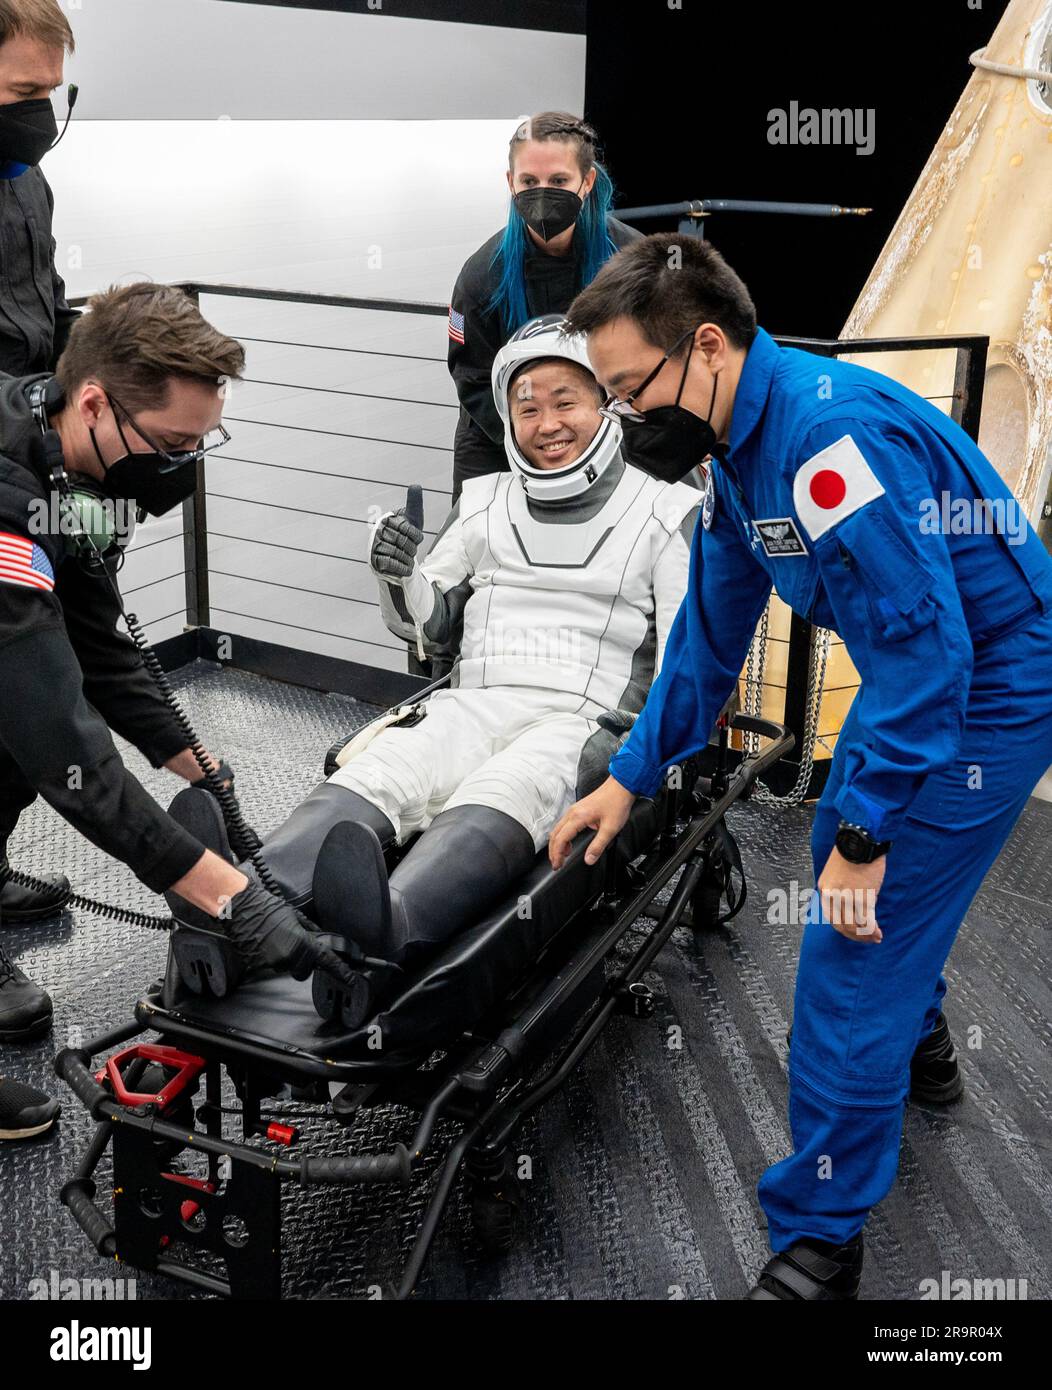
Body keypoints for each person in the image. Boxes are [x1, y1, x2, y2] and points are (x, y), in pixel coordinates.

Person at [548, 232, 1052, 1300]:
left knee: (849, 937)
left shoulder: (826, 442)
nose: (622, 415)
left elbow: (931, 655)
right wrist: (627, 777)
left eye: (629, 389)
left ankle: (821, 1237)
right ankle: (920, 1040)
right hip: (928, 669)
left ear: (709, 348)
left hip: (992, 685)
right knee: (843, 858)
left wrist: (868, 834)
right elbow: (706, 640)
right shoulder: (736, 447)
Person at [169, 316, 700, 1030]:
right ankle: (235, 901)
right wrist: (397, 575)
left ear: (604, 401)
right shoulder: (485, 500)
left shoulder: (669, 511)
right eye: (528, 405)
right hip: (473, 697)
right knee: (393, 765)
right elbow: (429, 621)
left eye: (566, 400)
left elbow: (683, 663)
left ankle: (385, 935)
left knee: (509, 786)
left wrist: (635, 761)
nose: (547, 423)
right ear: (507, 414)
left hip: (582, 719)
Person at [0, 282, 355, 1073]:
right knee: (21, 736)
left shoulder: (56, 457)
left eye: (198, 446)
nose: (179, 469)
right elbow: (68, 750)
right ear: (93, 403)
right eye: (168, 446)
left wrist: (195, 762)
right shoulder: (8, 504)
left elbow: (99, 644)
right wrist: (229, 896)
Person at [447, 112, 640, 500]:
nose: (542, 192)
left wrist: (592, 434)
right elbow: (471, 377)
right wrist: (533, 438)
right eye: (529, 181)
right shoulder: (481, 275)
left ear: (587, 182)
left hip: (607, 429)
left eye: (558, 181)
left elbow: (653, 361)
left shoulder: (631, 261)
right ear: (510, 183)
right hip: (498, 435)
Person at [0, 0, 79, 377]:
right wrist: (40, 401)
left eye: (50, 91)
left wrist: (114, 354)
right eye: (25, 90)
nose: (41, 119)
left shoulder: (30, 180)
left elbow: (50, 307)